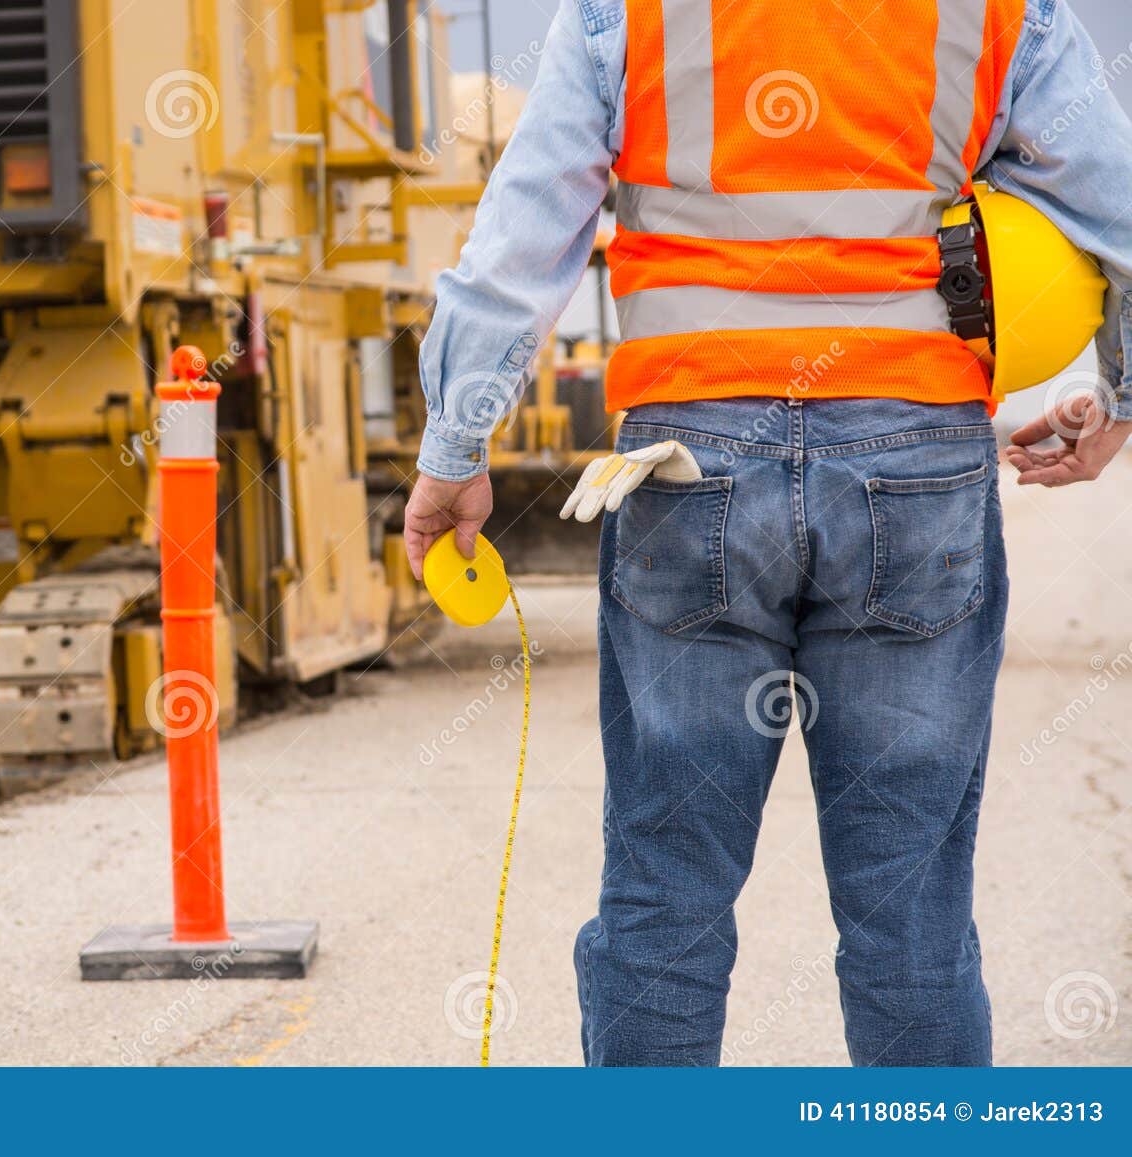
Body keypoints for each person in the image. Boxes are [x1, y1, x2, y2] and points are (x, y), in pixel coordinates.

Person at [404, 0, 1132, 1066]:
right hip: (912, 467)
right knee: (910, 912)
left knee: (663, 894)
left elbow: (519, 239)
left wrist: (454, 453)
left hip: (688, 466)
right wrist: (1118, 396)